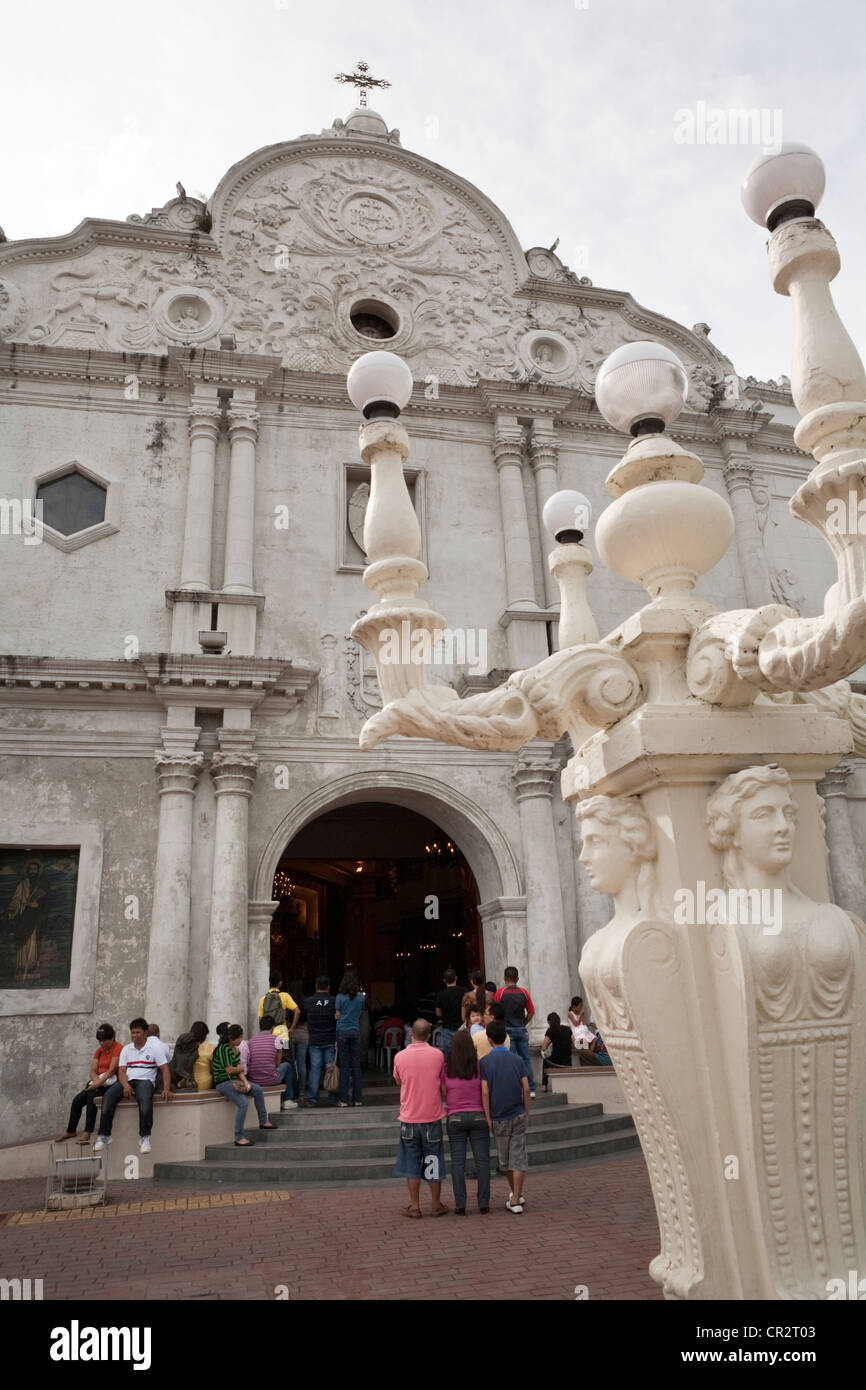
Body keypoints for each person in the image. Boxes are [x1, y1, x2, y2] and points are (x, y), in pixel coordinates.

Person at [393, 1019, 448, 1218]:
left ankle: (415, 1206)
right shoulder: (438, 1055)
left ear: (411, 1034)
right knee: (433, 1161)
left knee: (412, 1164)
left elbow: (398, 1080)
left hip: (409, 1118)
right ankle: (435, 1204)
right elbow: (442, 1082)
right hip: (431, 1117)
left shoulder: (400, 1057)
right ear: (429, 1035)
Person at [94, 1018, 172, 1155]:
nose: (135, 1035)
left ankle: (145, 1137)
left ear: (145, 1032)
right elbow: (122, 1071)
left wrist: (166, 1089)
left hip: (145, 1081)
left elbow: (165, 1069)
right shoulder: (126, 1049)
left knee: (145, 1099)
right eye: (132, 1032)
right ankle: (104, 1135)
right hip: (128, 1080)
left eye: (138, 1032)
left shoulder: (154, 1049)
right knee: (109, 1096)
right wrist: (125, 1085)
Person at [480, 1019, 530, 1213]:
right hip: (517, 1112)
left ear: (489, 1039)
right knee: (518, 1158)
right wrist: (527, 1111)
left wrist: (488, 1117)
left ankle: (515, 1196)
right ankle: (516, 1195)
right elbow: (526, 1088)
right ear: (506, 1037)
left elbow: (485, 1091)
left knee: (506, 1160)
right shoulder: (517, 1059)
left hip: (498, 1116)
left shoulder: (484, 1062)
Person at [443, 1026, 490, 1215]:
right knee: (482, 1161)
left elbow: (443, 1091)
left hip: (455, 1116)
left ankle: (460, 1205)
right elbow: (485, 1089)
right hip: (478, 1115)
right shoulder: (479, 1066)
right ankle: (483, 1203)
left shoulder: (447, 1068)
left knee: (457, 1162)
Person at [56, 1023, 122, 1146]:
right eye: (99, 1041)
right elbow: (92, 1070)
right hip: (98, 1081)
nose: (101, 1044)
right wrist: (96, 1081)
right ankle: (71, 1130)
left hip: (110, 1083)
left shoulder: (118, 1048)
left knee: (92, 1095)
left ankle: (88, 1131)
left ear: (112, 1038)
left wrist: (97, 1084)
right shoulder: (99, 1051)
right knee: (77, 1100)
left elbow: (111, 1071)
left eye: (104, 1041)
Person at [213, 1024, 274, 1145]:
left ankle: (263, 1121)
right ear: (231, 1038)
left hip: (235, 1080)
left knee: (257, 1090)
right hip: (223, 1082)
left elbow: (239, 1071)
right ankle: (239, 1137)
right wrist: (239, 1068)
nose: (241, 1040)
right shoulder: (223, 1049)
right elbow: (229, 1070)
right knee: (243, 1103)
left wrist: (246, 1083)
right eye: (239, 1037)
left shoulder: (236, 1049)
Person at [495, 967, 536, 1097]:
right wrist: (524, 1022)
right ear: (517, 979)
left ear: (505, 978)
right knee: (525, 1059)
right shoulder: (524, 993)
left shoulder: (500, 993)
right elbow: (531, 1011)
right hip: (521, 1028)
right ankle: (531, 1088)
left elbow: (495, 1012)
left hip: (507, 1030)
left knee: (511, 1059)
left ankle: (516, 1088)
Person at [247, 1013, 297, 1110]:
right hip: (270, 1079)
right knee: (287, 1066)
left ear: (260, 1027)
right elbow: (277, 1064)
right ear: (273, 1028)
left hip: (254, 1080)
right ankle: (287, 1100)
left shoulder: (251, 1041)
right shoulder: (277, 1039)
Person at [305, 975, 337, 1106]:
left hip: (314, 1040)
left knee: (314, 1070)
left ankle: (312, 1099)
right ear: (328, 987)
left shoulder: (308, 1001)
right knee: (331, 1070)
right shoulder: (334, 1001)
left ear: (316, 986)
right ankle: (333, 1098)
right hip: (330, 1039)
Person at [335, 968, 365, 1107]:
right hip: (355, 1030)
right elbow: (360, 1013)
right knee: (356, 1065)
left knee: (344, 1066)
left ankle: (343, 1100)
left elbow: (337, 1015)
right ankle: (357, 1099)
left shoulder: (339, 997)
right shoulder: (361, 997)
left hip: (342, 1031)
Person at [258, 974, 300, 1050]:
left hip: (269, 1034)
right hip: (282, 1033)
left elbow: (260, 1019)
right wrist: (292, 1028)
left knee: (271, 1058)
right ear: (280, 983)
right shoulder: (285, 996)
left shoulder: (263, 999)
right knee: (284, 1059)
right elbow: (297, 1011)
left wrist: (263, 1035)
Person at [170, 1021, 208, 1092]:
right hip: (174, 1073)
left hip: (176, 1074)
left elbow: (188, 1066)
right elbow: (179, 1068)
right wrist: (190, 1078)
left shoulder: (189, 1042)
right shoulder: (190, 1043)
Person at [541, 1012, 575, 1091]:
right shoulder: (567, 1029)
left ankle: (545, 1085)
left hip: (556, 1062)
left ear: (549, 1022)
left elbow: (543, 1047)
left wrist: (550, 1042)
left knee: (545, 1061)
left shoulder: (550, 1030)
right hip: (568, 1062)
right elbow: (574, 1044)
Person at [435, 968, 464, 1056]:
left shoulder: (440, 995)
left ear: (444, 980)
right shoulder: (464, 991)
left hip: (447, 1027)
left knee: (449, 1054)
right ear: (456, 978)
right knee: (462, 1052)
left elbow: (438, 1013)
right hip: (462, 1027)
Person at [289, 980, 309, 1104]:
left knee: (292, 1064)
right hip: (304, 1033)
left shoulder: (288, 1000)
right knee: (302, 1064)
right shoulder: (306, 1001)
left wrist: (291, 1027)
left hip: (290, 1033)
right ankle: (302, 1093)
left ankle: (293, 1092)